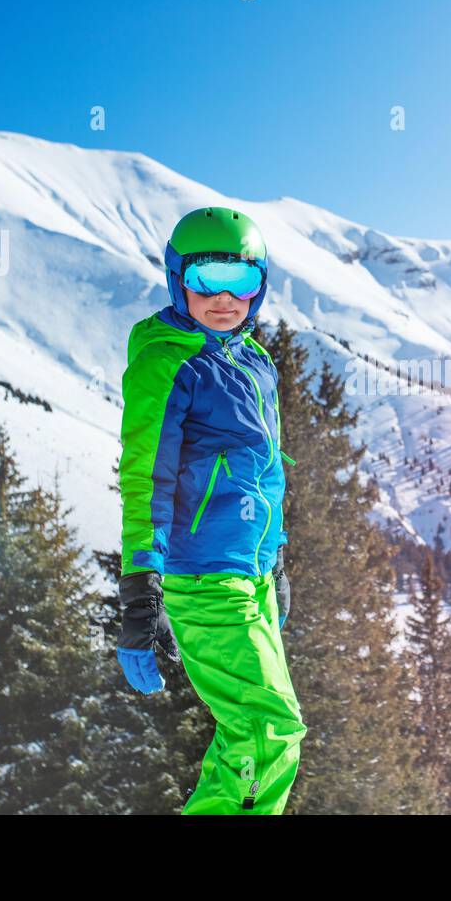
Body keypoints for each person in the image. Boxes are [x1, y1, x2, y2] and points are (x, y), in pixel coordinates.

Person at [115, 205, 306, 815]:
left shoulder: (254, 362)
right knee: (266, 729)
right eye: (206, 280)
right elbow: (145, 475)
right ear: (178, 280)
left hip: (251, 574)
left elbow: (265, 470)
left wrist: (274, 558)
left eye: (242, 281)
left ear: (261, 286)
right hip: (203, 575)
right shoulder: (168, 363)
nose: (225, 297)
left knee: (264, 731)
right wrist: (140, 591)